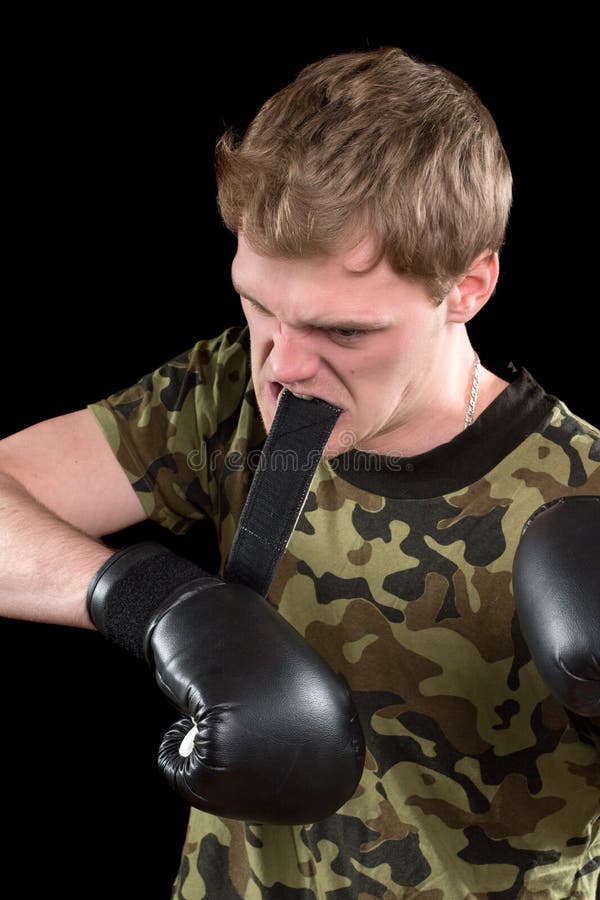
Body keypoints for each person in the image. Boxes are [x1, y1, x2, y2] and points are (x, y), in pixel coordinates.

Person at [1, 45, 598, 898]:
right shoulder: (227, 406)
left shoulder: (585, 489)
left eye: (342, 332)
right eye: (258, 306)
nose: (282, 366)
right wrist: (152, 601)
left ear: (468, 286)